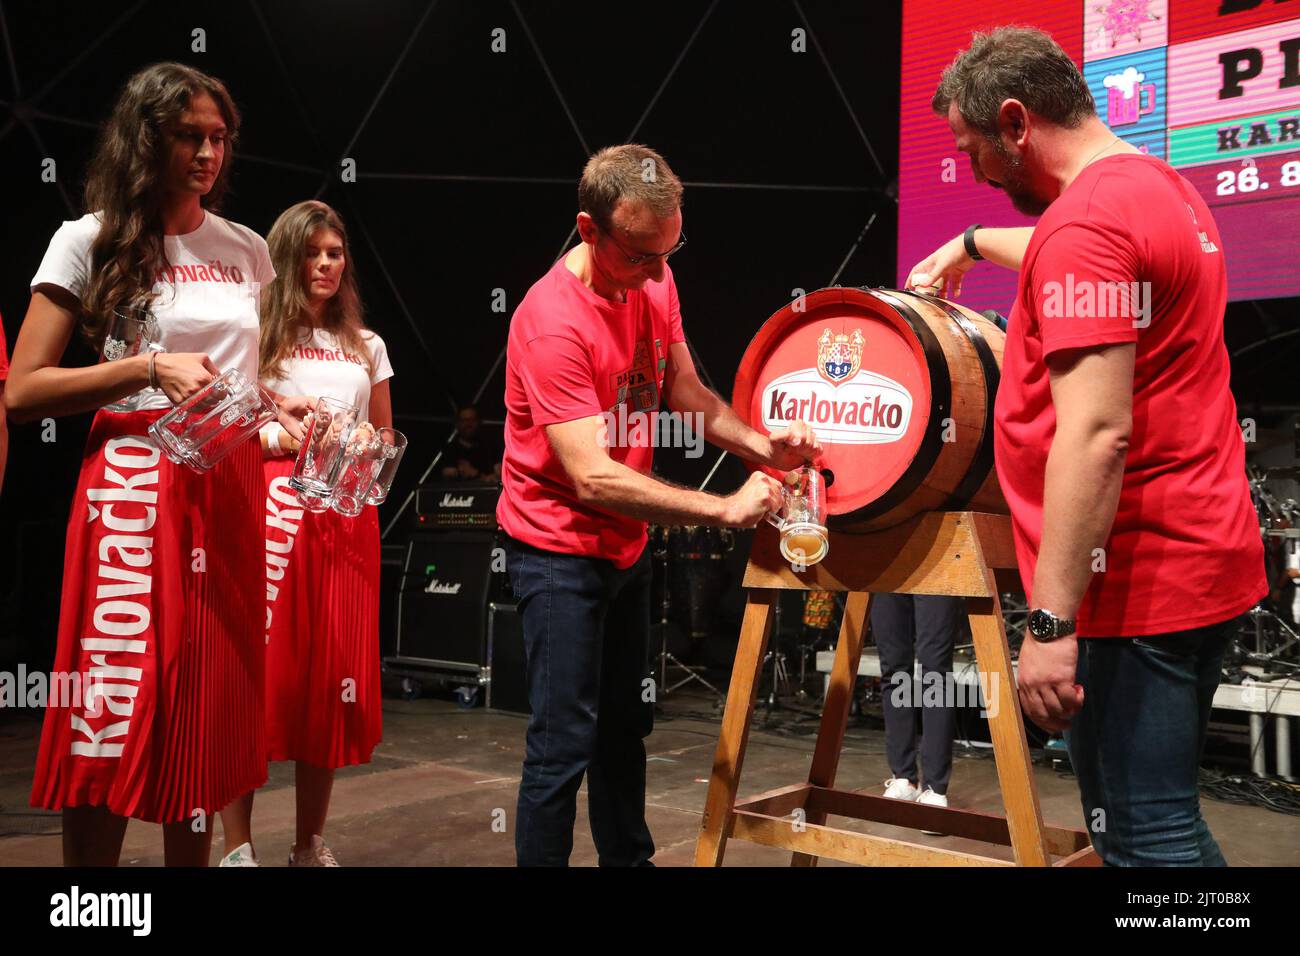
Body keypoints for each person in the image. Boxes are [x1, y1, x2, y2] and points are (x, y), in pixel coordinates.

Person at [908, 26, 1266, 865]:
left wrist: (1053, 622)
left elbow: (1097, 436)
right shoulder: (1155, 187)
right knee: (1147, 826)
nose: (979, 174)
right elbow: (1075, 254)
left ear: (1015, 121)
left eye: (974, 152)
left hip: (1136, 586)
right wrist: (966, 244)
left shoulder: (1087, 224)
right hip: (1200, 558)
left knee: (1149, 835)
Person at [6, 62, 313, 866]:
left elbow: (241, 376)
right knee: (108, 713)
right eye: (189, 135)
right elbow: (23, 391)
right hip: (136, 490)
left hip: (231, 488)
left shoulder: (248, 249)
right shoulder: (89, 237)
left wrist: (280, 409)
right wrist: (147, 367)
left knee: (207, 710)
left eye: (219, 138)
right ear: (147, 137)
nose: (208, 152)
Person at [498, 144, 819, 866]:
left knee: (624, 730)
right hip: (557, 550)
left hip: (625, 549)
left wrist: (766, 448)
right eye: (642, 255)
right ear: (589, 229)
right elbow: (592, 478)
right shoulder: (553, 322)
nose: (658, 271)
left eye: (669, 252)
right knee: (562, 747)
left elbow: (686, 393)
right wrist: (723, 510)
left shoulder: (655, 280)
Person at [217, 200, 393, 867]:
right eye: (314, 252)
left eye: (337, 252)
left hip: (343, 516)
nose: (327, 264)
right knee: (253, 678)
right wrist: (276, 434)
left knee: (328, 681)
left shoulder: (367, 345)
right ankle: (236, 849)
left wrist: (364, 442)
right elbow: (224, 425)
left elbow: (381, 433)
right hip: (269, 508)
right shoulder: (252, 335)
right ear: (287, 258)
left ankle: (308, 844)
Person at [873, 594, 963, 811]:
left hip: (938, 564)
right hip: (887, 564)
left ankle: (935, 787)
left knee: (935, 672)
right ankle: (904, 777)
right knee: (894, 671)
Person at [440, 403, 500, 482]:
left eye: (472, 420)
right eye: (464, 420)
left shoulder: (489, 447)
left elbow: (500, 476)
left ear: (479, 422)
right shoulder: (449, 449)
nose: (468, 424)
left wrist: (476, 474)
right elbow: (446, 476)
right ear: (457, 423)